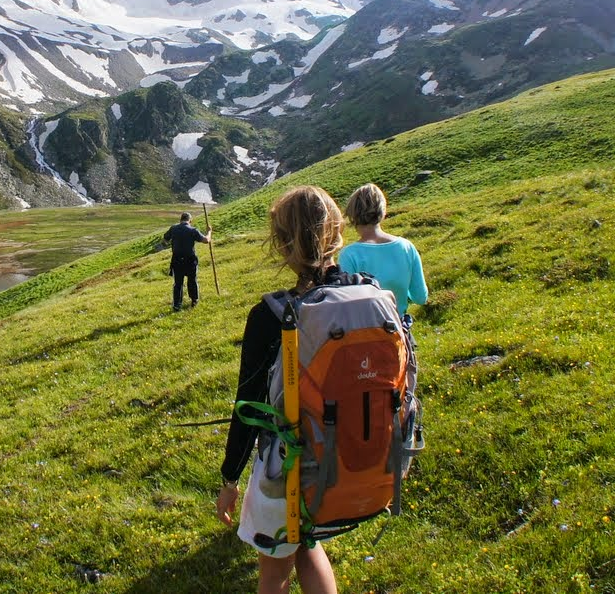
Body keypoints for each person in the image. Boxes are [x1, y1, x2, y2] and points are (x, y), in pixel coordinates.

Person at [215, 185, 344, 594]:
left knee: (274, 571)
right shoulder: (366, 293)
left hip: (285, 467)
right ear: (336, 230)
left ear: (283, 243)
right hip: (344, 458)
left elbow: (248, 404)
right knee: (309, 546)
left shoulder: (271, 315)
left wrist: (229, 479)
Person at [337, 183, 427, 322]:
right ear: (382, 212)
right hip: (398, 332)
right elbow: (420, 297)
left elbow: (345, 306)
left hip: (363, 332)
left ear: (352, 215)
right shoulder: (406, 247)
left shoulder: (349, 255)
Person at [162, 211, 211, 311]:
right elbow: (206, 240)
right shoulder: (193, 230)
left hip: (176, 260)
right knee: (192, 280)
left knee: (178, 283)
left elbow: (165, 240)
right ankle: (194, 300)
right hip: (190, 260)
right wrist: (209, 232)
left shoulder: (173, 228)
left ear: (180, 220)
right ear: (190, 221)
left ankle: (177, 305)